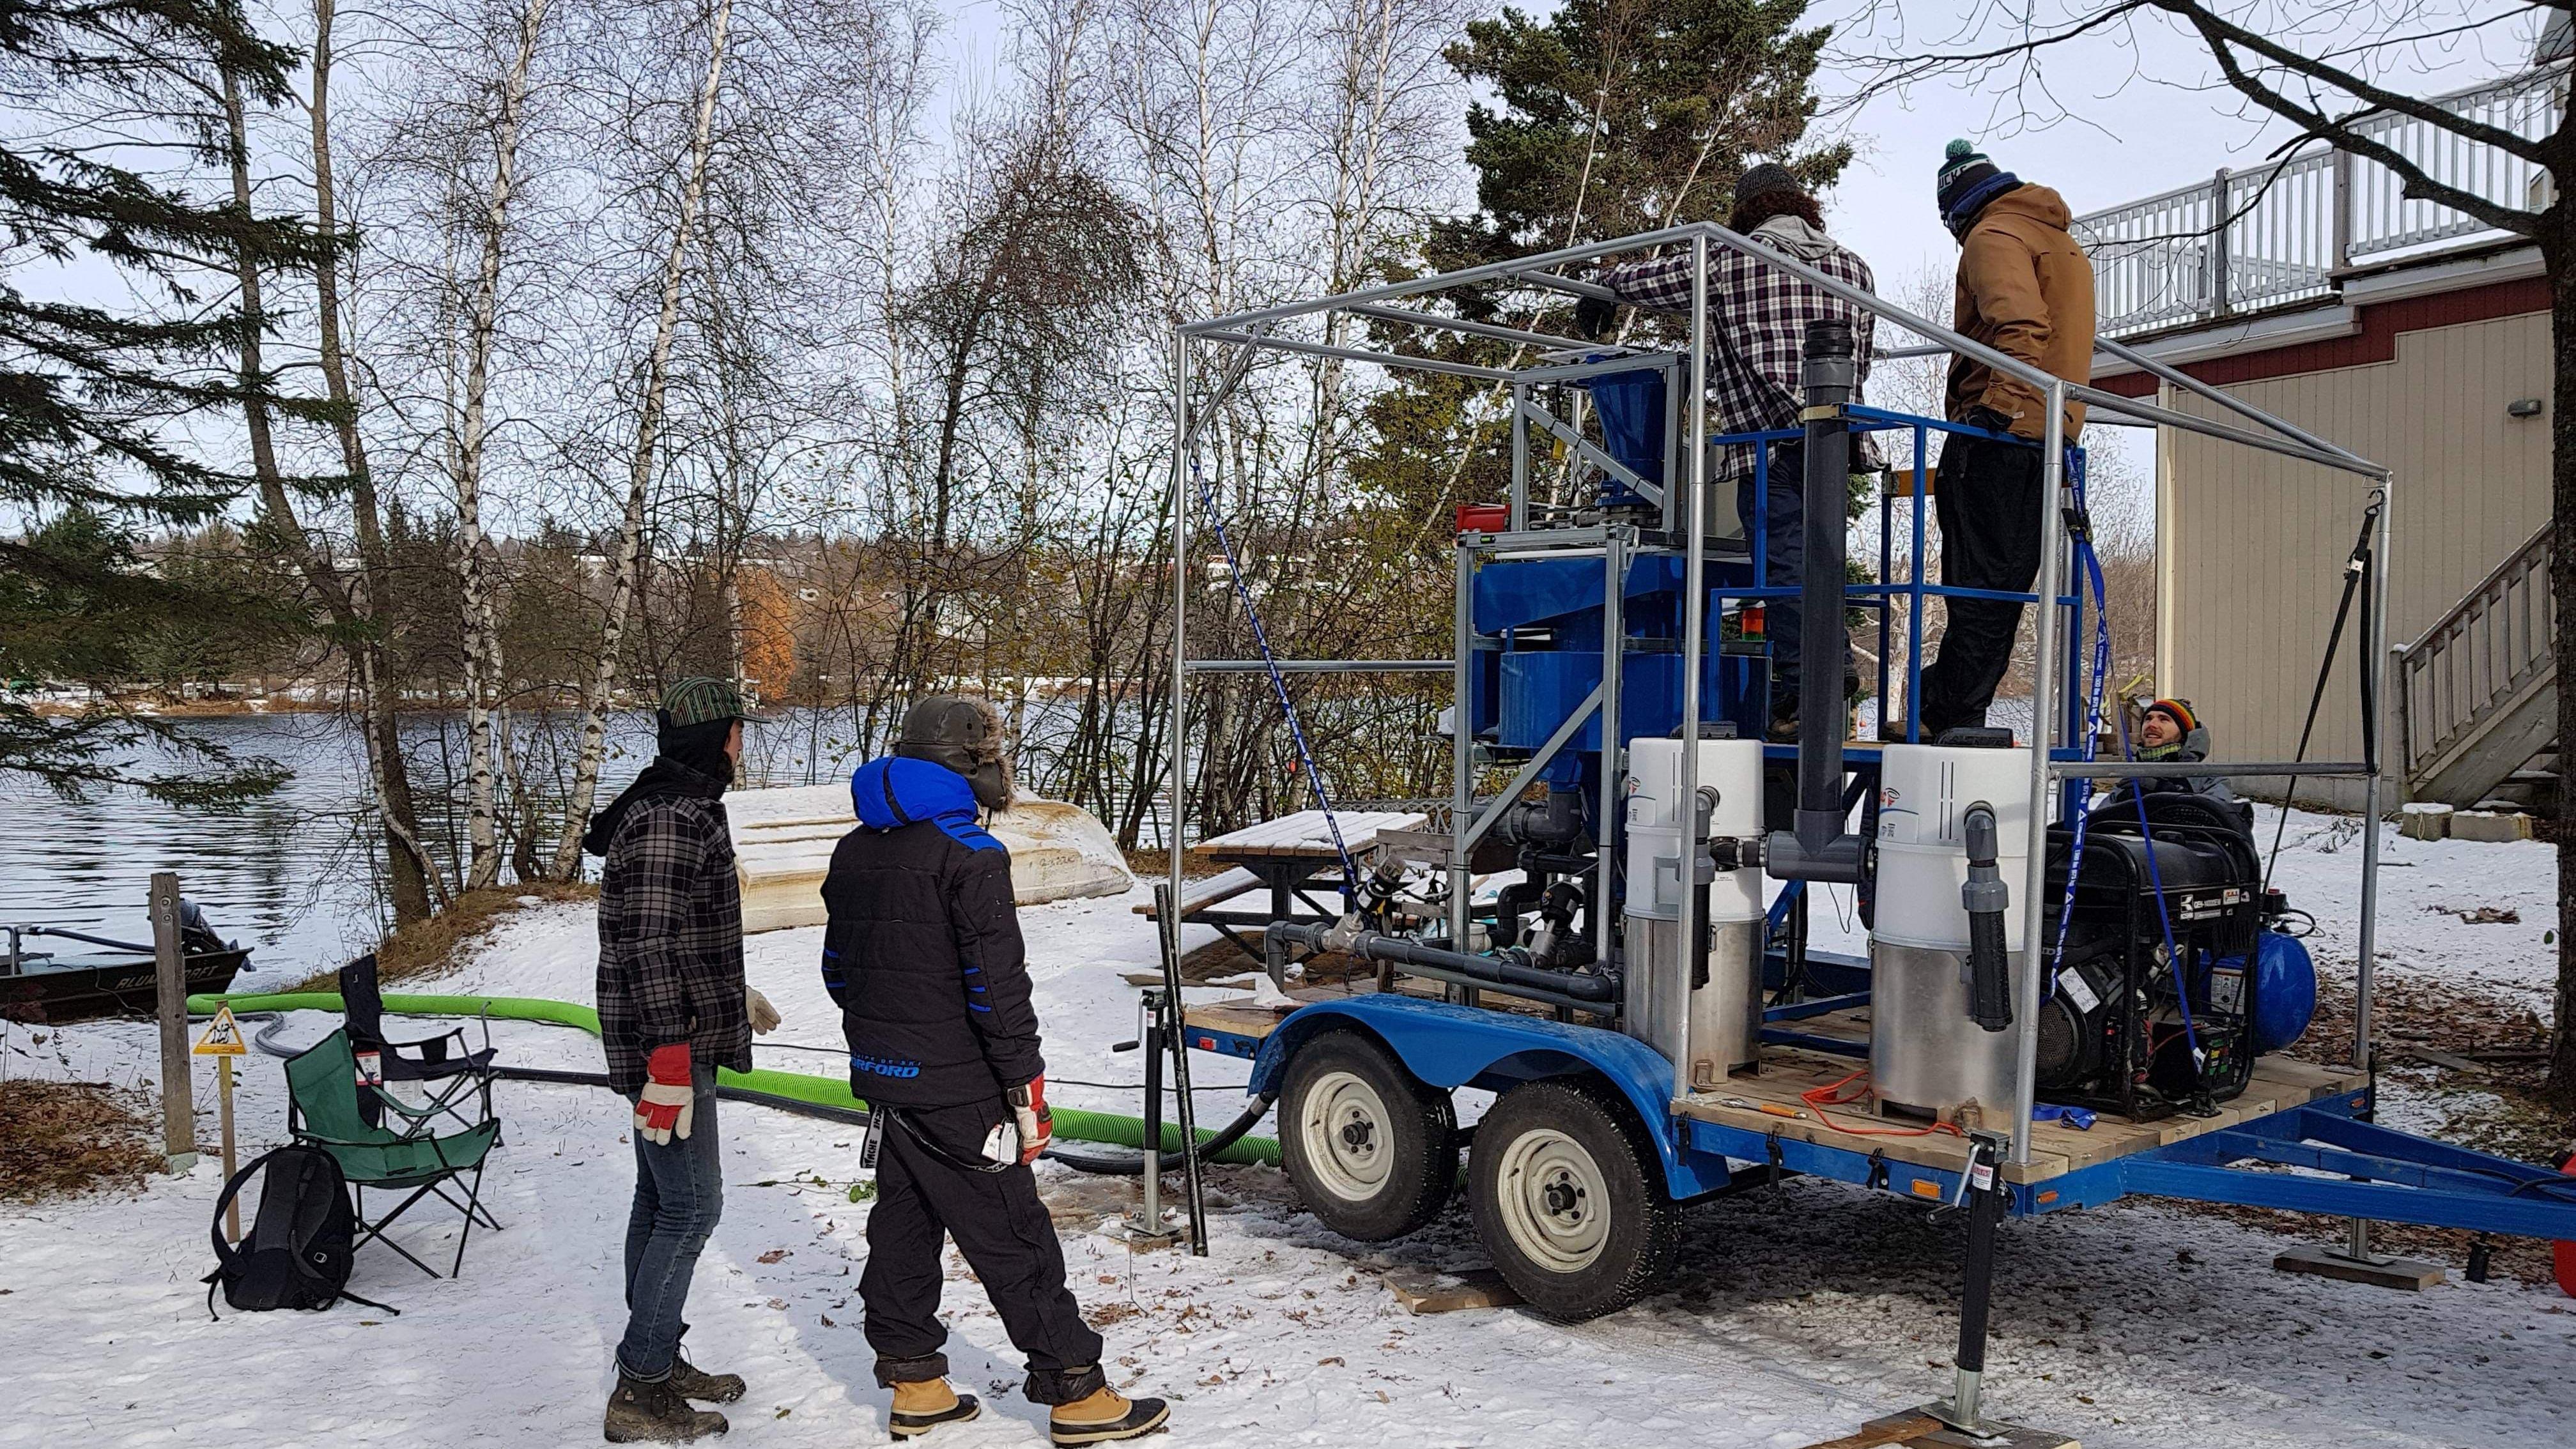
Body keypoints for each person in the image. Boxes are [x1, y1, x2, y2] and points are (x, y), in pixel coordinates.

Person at [821, 694, 1168, 1446]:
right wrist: (1023, 1082)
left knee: (903, 1226)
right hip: (959, 1083)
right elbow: (995, 986)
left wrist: (886, 1039)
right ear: (968, 765)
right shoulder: (969, 854)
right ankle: (1076, 1392)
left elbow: (837, 974)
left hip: (883, 1074)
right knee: (1012, 1233)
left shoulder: (854, 849)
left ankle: (914, 1380)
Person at [1578, 162, 1883, 740]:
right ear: (1803, 205)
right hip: (1834, 437)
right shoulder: (1853, 267)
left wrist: (1607, 286)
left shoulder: (1731, 256)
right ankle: (1828, 667)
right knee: (1820, 556)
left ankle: (1804, 684)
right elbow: (1859, 355)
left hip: (1769, 440)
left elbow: (1659, 279)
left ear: (1746, 212)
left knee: (1784, 560)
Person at [586, 677, 783, 1445]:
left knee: (658, 1199)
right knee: (692, 1208)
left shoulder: (678, 803)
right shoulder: (672, 816)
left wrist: (733, 993)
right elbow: (648, 942)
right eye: (737, 731)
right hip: (667, 1046)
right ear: (713, 738)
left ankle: (658, 1360)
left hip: (680, 1029)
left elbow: (677, 933)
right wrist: (670, 1054)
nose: (742, 745)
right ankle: (640, 1388)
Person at [1913, 139, 2097, 739]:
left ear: (1956, 211)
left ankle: (1948, 710)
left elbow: (2020, 326)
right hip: (2048, 435)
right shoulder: (2057, 239)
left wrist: (1994, 408)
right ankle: (1952, 704)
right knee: (2000, 589)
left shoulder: (1992, 237)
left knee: (1975, 587)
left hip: (2004, 430)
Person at [2097, 696, 2254, 836]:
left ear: (2184, 733)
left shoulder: (2208, 778)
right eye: (2148, 718)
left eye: (2164, 719)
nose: (2152, 724)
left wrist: (2171, 795)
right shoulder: (2132, 776)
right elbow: (2097, 823)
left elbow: (2218, 825)